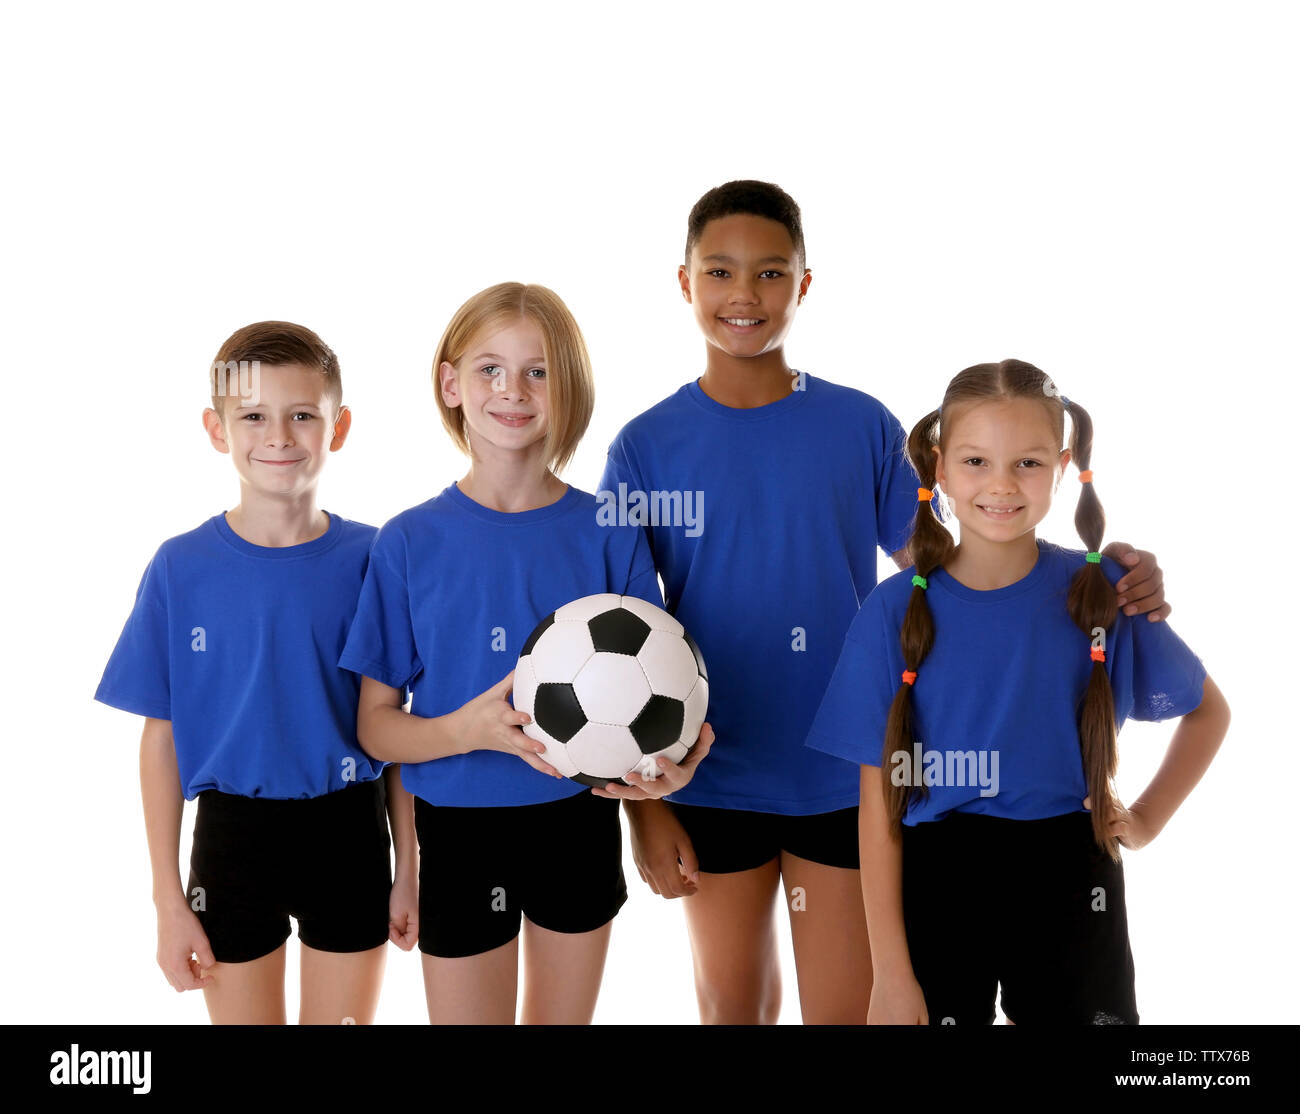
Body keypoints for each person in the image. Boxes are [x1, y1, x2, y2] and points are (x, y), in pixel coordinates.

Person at [599, 180, 1171, 1023]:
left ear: (803, 284)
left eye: (770, 273)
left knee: (846, 1012)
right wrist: (642, 816)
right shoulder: (643, 446)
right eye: (720, 272)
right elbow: (615, 649)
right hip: (707, 775)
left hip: (845, 778)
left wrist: (1097, 567)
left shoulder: (858, 424)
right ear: (684, 282)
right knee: (731, 1009)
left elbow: (954, 562)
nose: (744, 295)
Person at [806, 358, 1229, 1024]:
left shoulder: (1103, 591)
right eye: (976, 461)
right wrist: (890, 973)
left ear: (1062, 469)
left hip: (1072, 872)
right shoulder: (891, 612)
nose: (1001, 485)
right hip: (940, 879)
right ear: (939, 469)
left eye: (1027, 464)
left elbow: (1207, 712)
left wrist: (1145, 819)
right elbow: (877, 810)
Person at [341, 282, 713, 1025]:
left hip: (573, 826)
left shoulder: (608, 527)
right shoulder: (410, 541)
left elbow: (659, 696)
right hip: (459, 828)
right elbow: (376, 728)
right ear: (451, 383)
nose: (513, 391)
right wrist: (466, 732)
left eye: (538, 371)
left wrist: (666, 779)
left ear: (567, 387)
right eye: (489, 370)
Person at [94, 321, 417, 1024]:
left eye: (303, 414)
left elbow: (395, 733)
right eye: (253, 416)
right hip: (233, 842)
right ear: (216, 429)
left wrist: (409, 871)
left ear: (339, 427)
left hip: (350, 836)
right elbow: (161, 738)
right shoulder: (180, 568)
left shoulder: (376, 558)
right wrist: (168, 900)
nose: (279, 436)